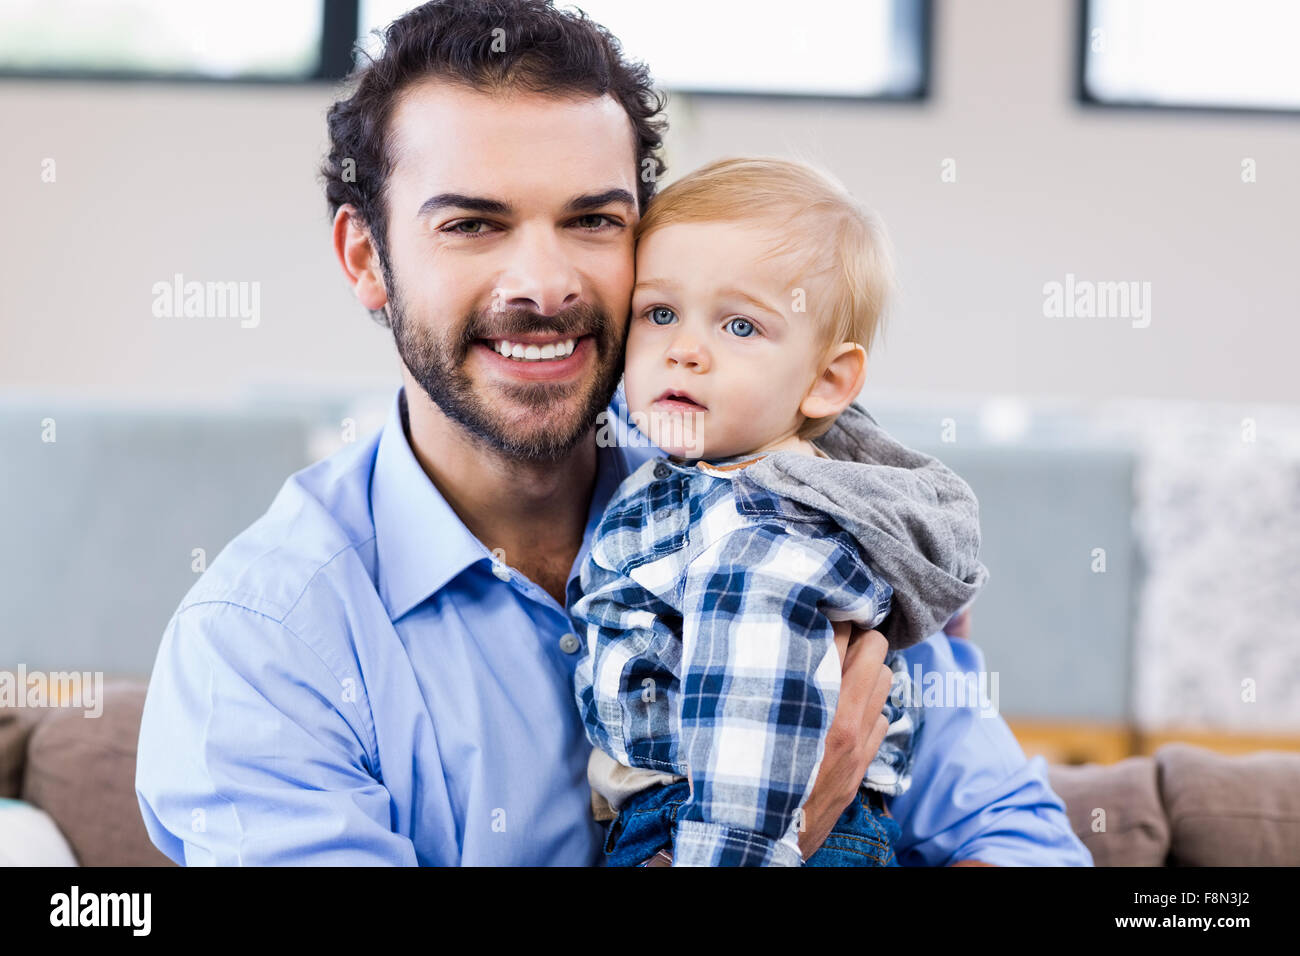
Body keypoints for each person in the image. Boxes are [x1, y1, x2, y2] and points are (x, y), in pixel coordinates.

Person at [134, 0, 1092, 867]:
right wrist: (791, 830)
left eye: (593, 220)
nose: (544, 286)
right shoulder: (262, 648)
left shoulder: (798, 502)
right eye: (472, 225)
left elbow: (1019, 841)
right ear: (366, 260)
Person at [572, 157, 990, 866]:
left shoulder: (762, 531)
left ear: (828, 381)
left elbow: (752, 739)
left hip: (724, 828)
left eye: (739, 326)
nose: (685, 351)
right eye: (660, 313)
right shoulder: (699, 477)